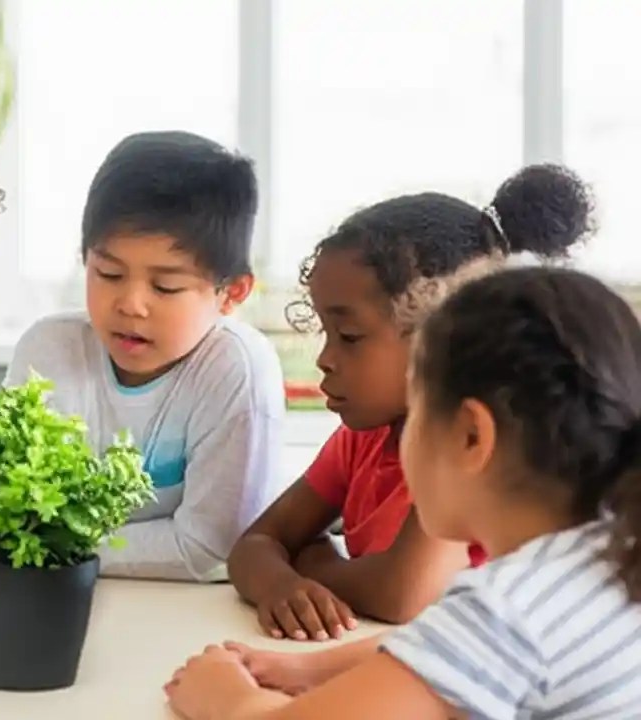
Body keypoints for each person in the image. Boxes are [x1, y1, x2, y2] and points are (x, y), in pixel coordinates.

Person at [167, 265, 641, 719]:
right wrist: (302, 668)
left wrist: (225, 698)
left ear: (471, 436)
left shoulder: (505, 612)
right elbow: (435, 644)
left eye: (417, 406)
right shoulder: (605, 557)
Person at [226, 164, 594, 640]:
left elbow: (400, 595)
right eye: (325, 333)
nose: (325, 359)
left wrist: (315, 560)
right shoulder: (360, 442)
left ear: (439, 339)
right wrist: (280, 584)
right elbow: (255, 544)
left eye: (350, 336)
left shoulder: (471, 452)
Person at [4, 131, 286, 582]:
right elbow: (16, 509)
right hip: (62, 597)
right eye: (108, 273)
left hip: (198, 612)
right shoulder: (50, 349)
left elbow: (206, 547)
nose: (131, 304)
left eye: (166, 287)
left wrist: (48, 545)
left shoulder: (236, 369)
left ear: (231, 293)